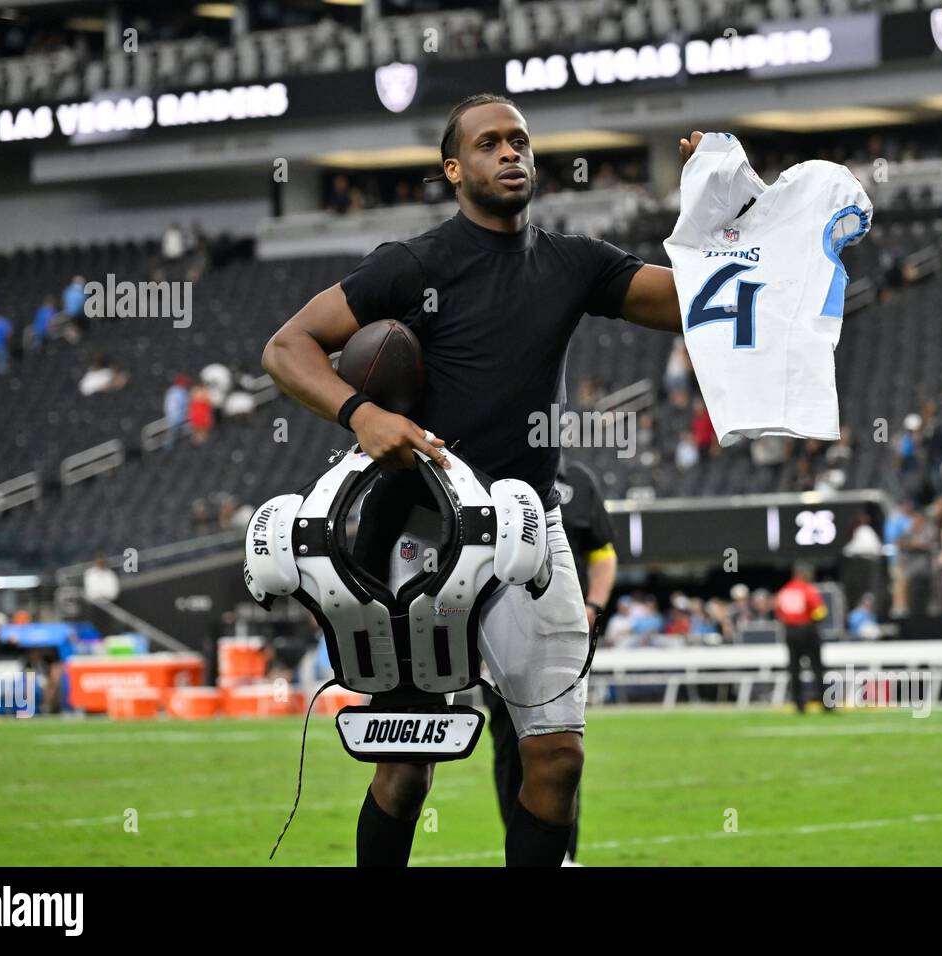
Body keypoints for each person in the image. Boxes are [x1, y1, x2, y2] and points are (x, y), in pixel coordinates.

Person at [260, 93, 693, 867]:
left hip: (531, 527)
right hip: (419, 533)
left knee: (558, 759)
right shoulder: (415, 263)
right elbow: (287, 347)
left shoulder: (573, 262)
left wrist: (713, 218)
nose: (510, 152)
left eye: (520, 140)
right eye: (489, 142)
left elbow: (696, 303)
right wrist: (360, 412)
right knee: (406, 764)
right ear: (454, 169)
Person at [486, 458, 616, 866]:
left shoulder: (578, 480)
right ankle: (527, 850)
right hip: (498, 631)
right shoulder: (482, 472)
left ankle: (563, 856)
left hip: (559, 632)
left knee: (563, 747)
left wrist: (592, 605)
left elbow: (603, 553)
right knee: (510, 746)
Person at [775, 563, 830, 713]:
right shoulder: (808, 589)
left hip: (790, 631)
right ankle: (825, 703)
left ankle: (799, 704)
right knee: (817, 667)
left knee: (794, 668)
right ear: (804, 574)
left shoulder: (784, 591)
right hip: (807, 629)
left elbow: (779, 612)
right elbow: (820, 611)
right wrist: (814, 621)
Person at [163, 375, 190, 448]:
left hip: (171, 417)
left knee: (171, 436)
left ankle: (168, 449)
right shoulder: (181, 391)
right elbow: (185, 405)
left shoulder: (171, 390)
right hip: (178, 417)